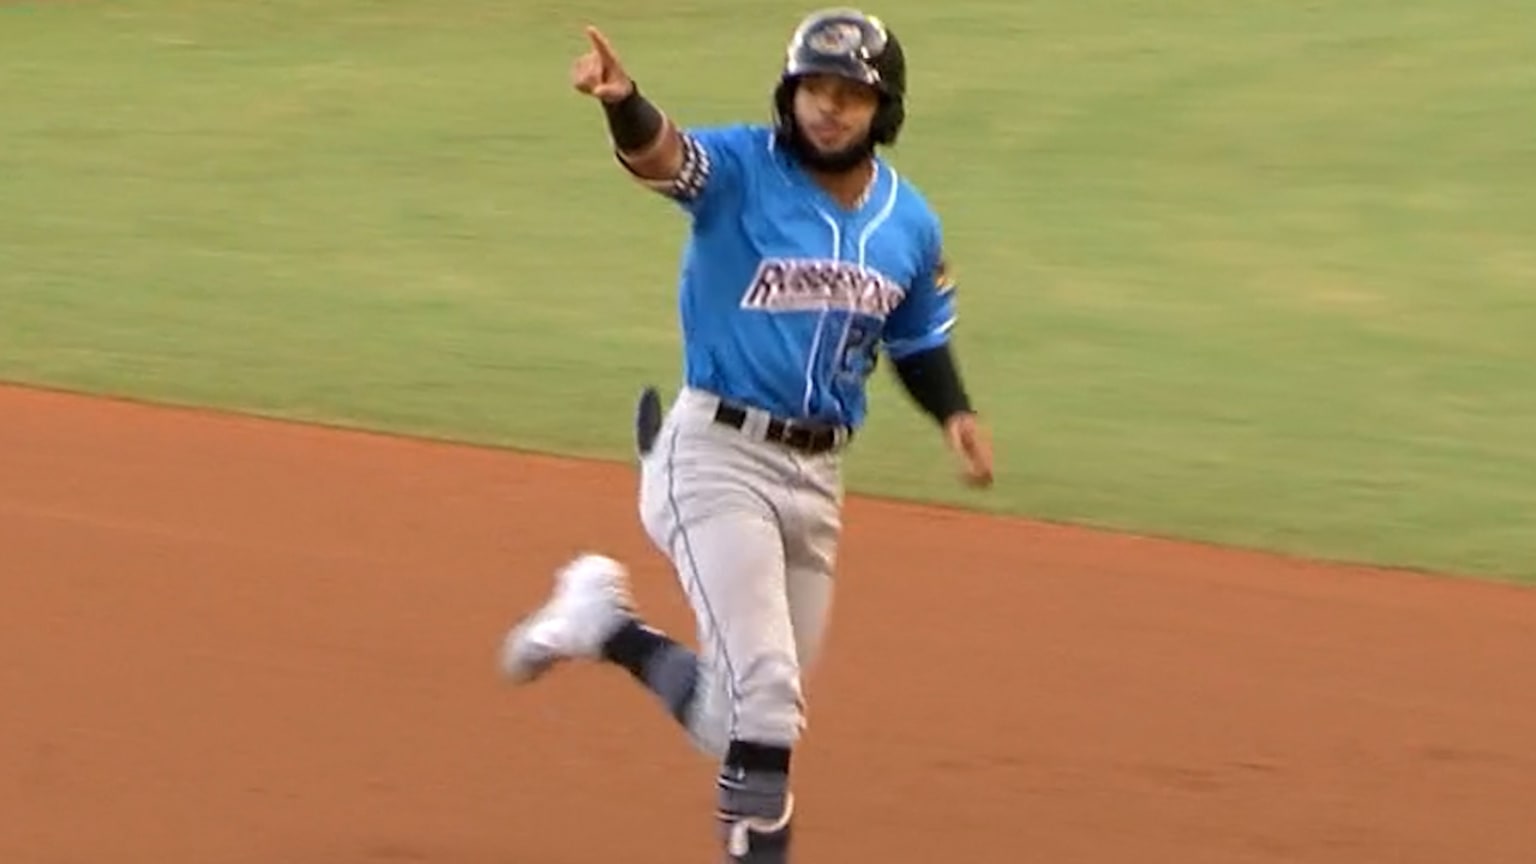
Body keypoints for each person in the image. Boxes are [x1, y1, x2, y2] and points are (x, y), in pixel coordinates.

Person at [498, 8, 994, 862]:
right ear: (788, 94)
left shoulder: (907, 224)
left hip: (817, 483)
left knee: (737, 716)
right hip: (715, 458)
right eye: (813, 90)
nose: (828, 109)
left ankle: (602, 624)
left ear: (884, 109)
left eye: (850, 94)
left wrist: (954, 413)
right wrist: (624, 101)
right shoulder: (741, 168)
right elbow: (666, 159)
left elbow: (917, 341)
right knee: (768, 700)